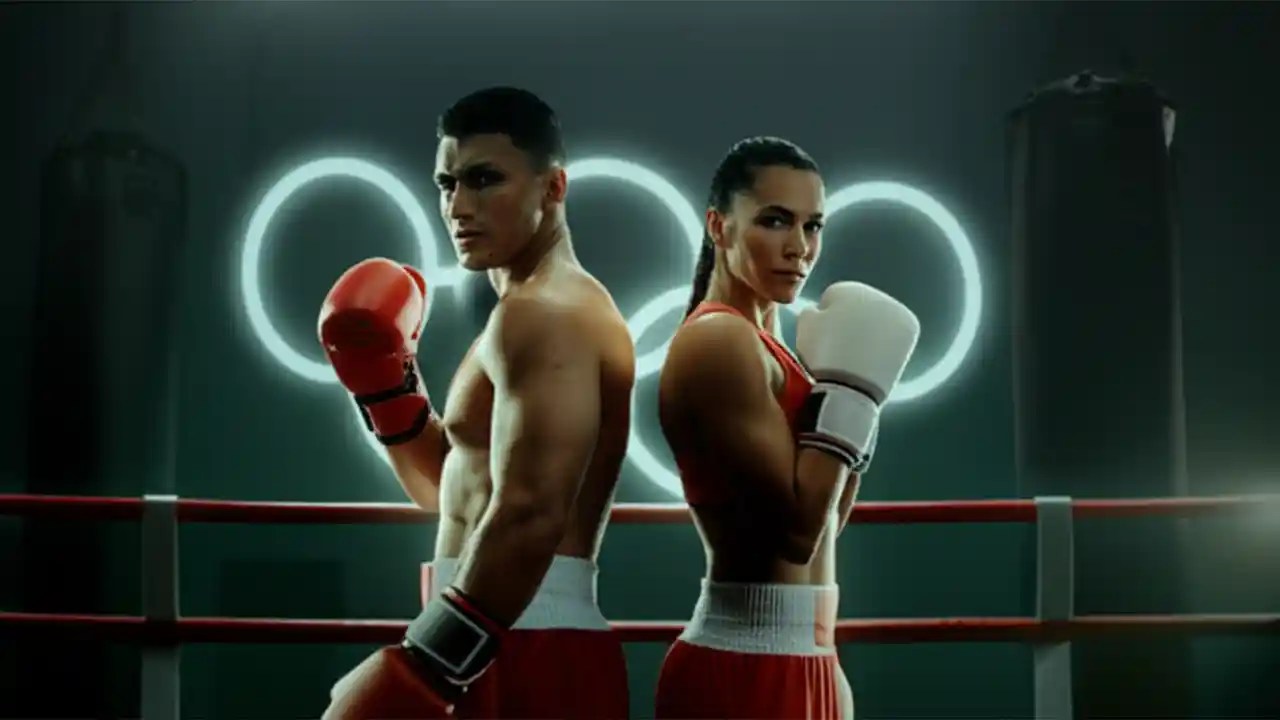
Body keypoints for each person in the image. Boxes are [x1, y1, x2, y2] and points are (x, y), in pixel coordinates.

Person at [317, 87, 635, 719]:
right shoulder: (515, 312)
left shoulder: (549, 314)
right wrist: (385, 391)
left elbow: (531, 513)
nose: (458, 206)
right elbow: (451, 491)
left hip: (519, 638)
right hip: (492, 626)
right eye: (447, 184)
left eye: (485, 180)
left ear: (553, 187)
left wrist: (421, 667)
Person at [652, 137, 920, 719]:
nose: (799, 247)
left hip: (809, 652)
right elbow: (795, 535)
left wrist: (848, 396)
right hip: (745, 663)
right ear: (719, 227)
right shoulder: (718, 341)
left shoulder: (778, 350)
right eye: (775, 222)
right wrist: (852, 393)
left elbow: (830, 523)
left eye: (812, 226)